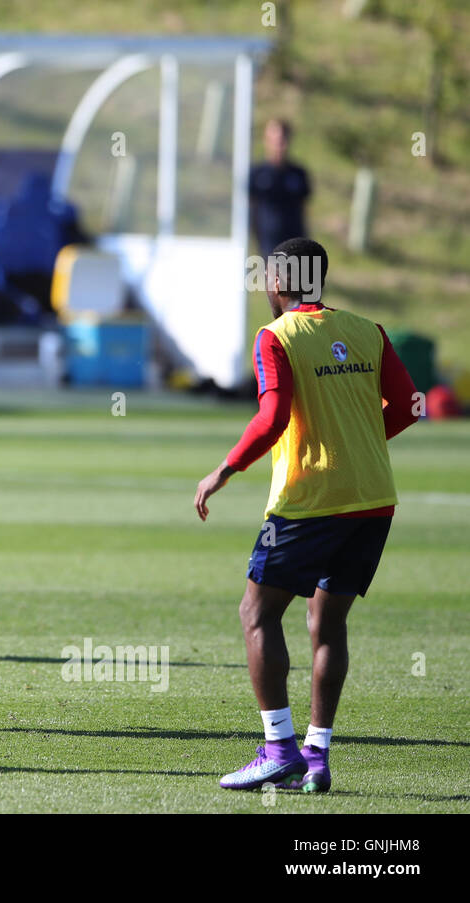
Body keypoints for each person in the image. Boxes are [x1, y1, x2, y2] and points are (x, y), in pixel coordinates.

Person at [194, 237, 419, 792]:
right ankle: (316, 756)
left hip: (310, 503)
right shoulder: (369, 330)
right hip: (373, 500)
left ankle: (278, 749)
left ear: (277, 282)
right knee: (328, 623)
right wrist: (361, 443)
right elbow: (410, 404)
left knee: (257, 614)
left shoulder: (276, 337)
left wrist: (224, 469)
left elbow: (272, 417)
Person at [249, 119, 312, 257]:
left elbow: (304, 210)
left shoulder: (298, 173)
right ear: (266, 140)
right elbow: (251, 209)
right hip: (268, 245)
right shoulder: (256, 173)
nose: (279, 144)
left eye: (282, 139)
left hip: (294, 244)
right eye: (275, 139)